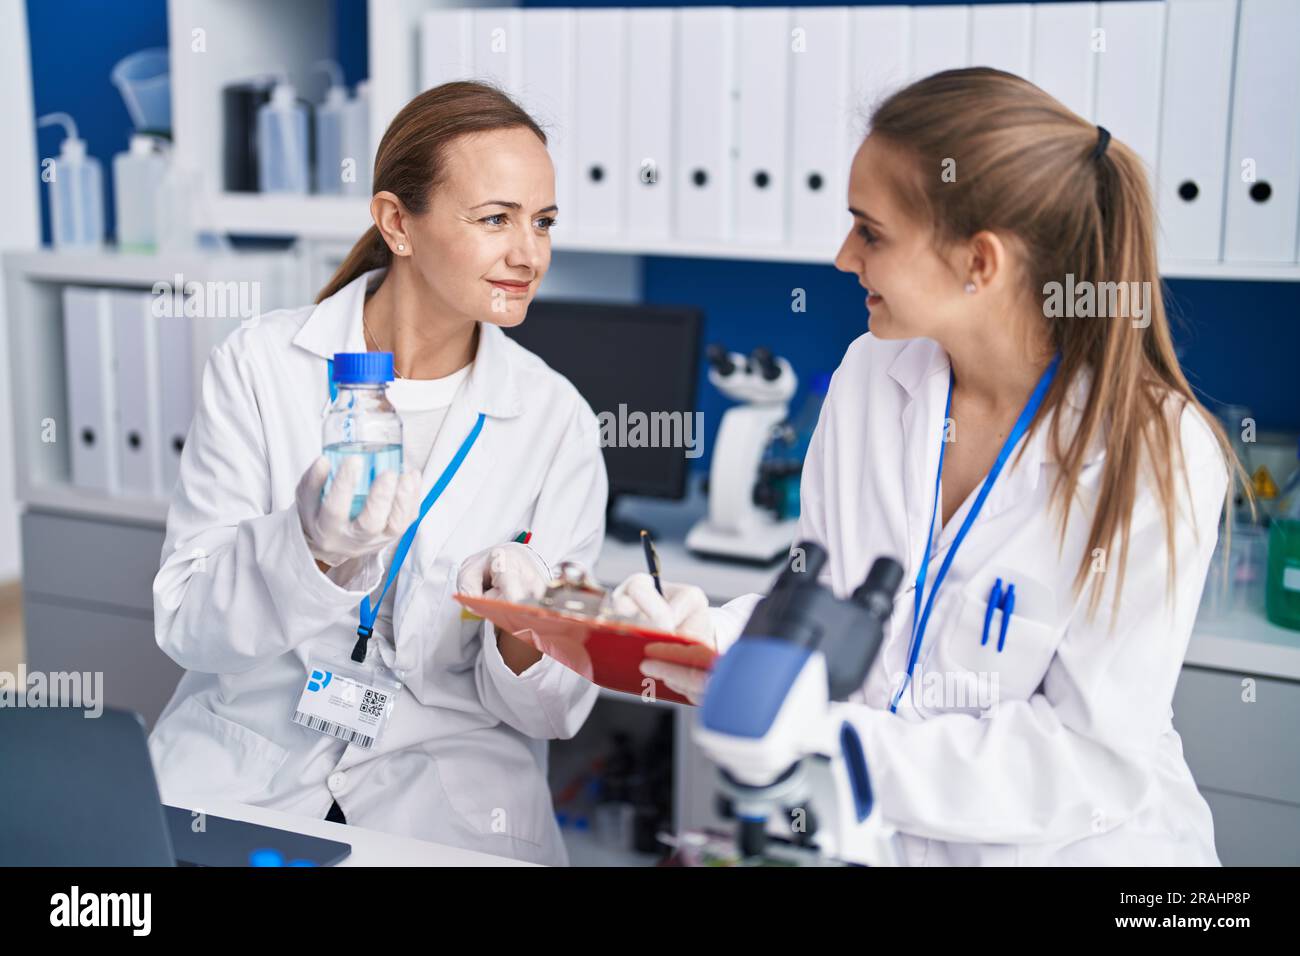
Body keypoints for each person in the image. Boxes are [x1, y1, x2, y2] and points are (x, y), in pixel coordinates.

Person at [613, 68, 1240, 866]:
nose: (843, 258)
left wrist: (812, 727)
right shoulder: (870, 376)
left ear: (979, 262)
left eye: (869, 232)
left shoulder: (1159, 452)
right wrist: (713, 635)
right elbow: (827, 601)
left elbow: (1082, 764)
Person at [148, 82, 606, 866]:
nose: (529, 254)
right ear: (398, 222)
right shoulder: (261, 367)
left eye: (544, 221)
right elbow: (188, 625)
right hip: (245, 770)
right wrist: (308, 548)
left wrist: (528, 631)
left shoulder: (555, 419)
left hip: (447, 807)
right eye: (495, 218)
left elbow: (554, 713)